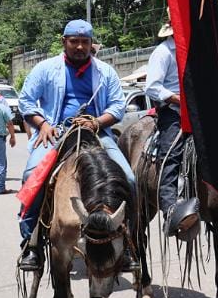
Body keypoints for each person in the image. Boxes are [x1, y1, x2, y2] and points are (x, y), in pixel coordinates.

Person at [17, 19, 135, 270]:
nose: (80, 47)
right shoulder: (45, 68)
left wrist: (96, 121)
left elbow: (117, 106)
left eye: (85, 42)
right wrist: (43, 124)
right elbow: (26, 101)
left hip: (97, 133)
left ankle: (128, 244)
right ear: (64, 42)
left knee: (130, 179)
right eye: (74, 42)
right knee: (31, 176)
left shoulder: (106, 72)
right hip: (57, 133)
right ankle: (31, 243)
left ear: (92, 44)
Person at [144, 18, 200, 237]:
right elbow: (152, 87)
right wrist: (179, 100)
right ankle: (170, 209)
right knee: (171, 153)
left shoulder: (194, 49)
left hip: (198, 109)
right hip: (174, 112)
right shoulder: (163, 52)